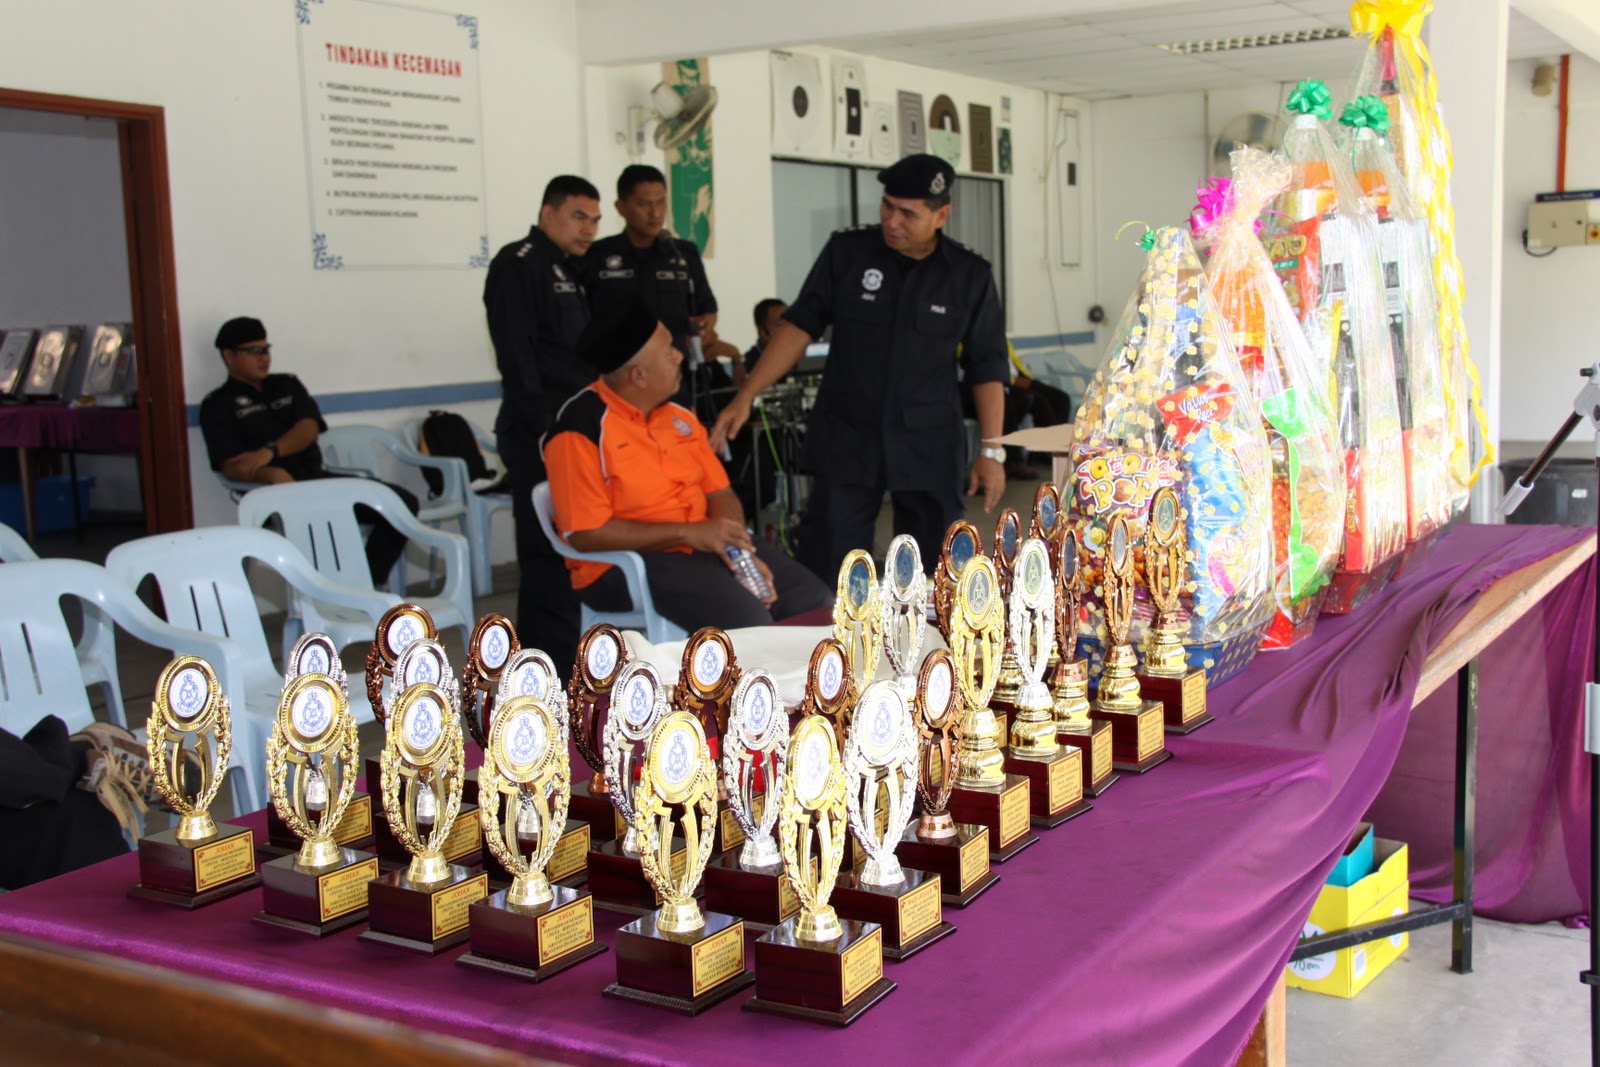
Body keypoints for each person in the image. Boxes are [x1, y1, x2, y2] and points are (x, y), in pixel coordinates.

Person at [710, 153, 1009, 582]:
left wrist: (991, 451)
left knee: (933, 572)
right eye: (887, 206)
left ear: (941, 215)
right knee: (831, 562)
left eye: (909, 213)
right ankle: (827, 648)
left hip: (927, 443)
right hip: (848, 436)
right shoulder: (847, 253)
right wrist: (747, 393)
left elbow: (987, 365)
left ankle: (929, 650)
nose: (892, 220)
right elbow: (799, 326)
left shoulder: (969, 275)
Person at [543, 294, 830, 633]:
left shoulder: (678, 416)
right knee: (750, 621)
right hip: (626, 564)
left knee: (814, 604)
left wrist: (740, 555)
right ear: (639, 376)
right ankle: (746, 686)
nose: (680, 355)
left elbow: (720, 494)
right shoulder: (580, 428)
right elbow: (587, 534)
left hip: (705, 547)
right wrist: (690, 533)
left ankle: (799, 686)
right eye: (668, 351)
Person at [482, 175, 603, 674]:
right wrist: (541, 432)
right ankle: (542, 666)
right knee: (545, 552)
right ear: (548, 212)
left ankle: (571, 655)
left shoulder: (573, 269)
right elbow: (517, 353)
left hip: (574, 430)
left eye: (595, 220)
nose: (589, 229)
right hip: (539, 429)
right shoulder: (519, 263)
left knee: (571, 545)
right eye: (579, 216)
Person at [198, 317, 419, 586]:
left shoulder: (286, 384)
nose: (264, 358)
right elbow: (232, 466)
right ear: (229, 355)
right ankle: (335, 593)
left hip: (315, 478)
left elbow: (308, 428)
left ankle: (362, 586)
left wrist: (268, 453)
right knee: (321, 529)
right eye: (253, 352)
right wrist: (271, 474)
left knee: (400, 502)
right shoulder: (217, 405)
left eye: (266, 349)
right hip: (272, 494)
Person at [582, 165, 720, 419]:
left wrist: (703, 326)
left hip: (672, 383)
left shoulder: (682, 254)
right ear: (621, 208)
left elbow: (707, 308)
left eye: (661, 203)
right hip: (619, 387)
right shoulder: (597, 256)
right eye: (644, 204)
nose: (655, 213)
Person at [743, 298, 787, 377]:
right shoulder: (750, 363)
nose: (788, 329)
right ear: (763, 331)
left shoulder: (799, 355)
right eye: (780, 324)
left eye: (790, 323)